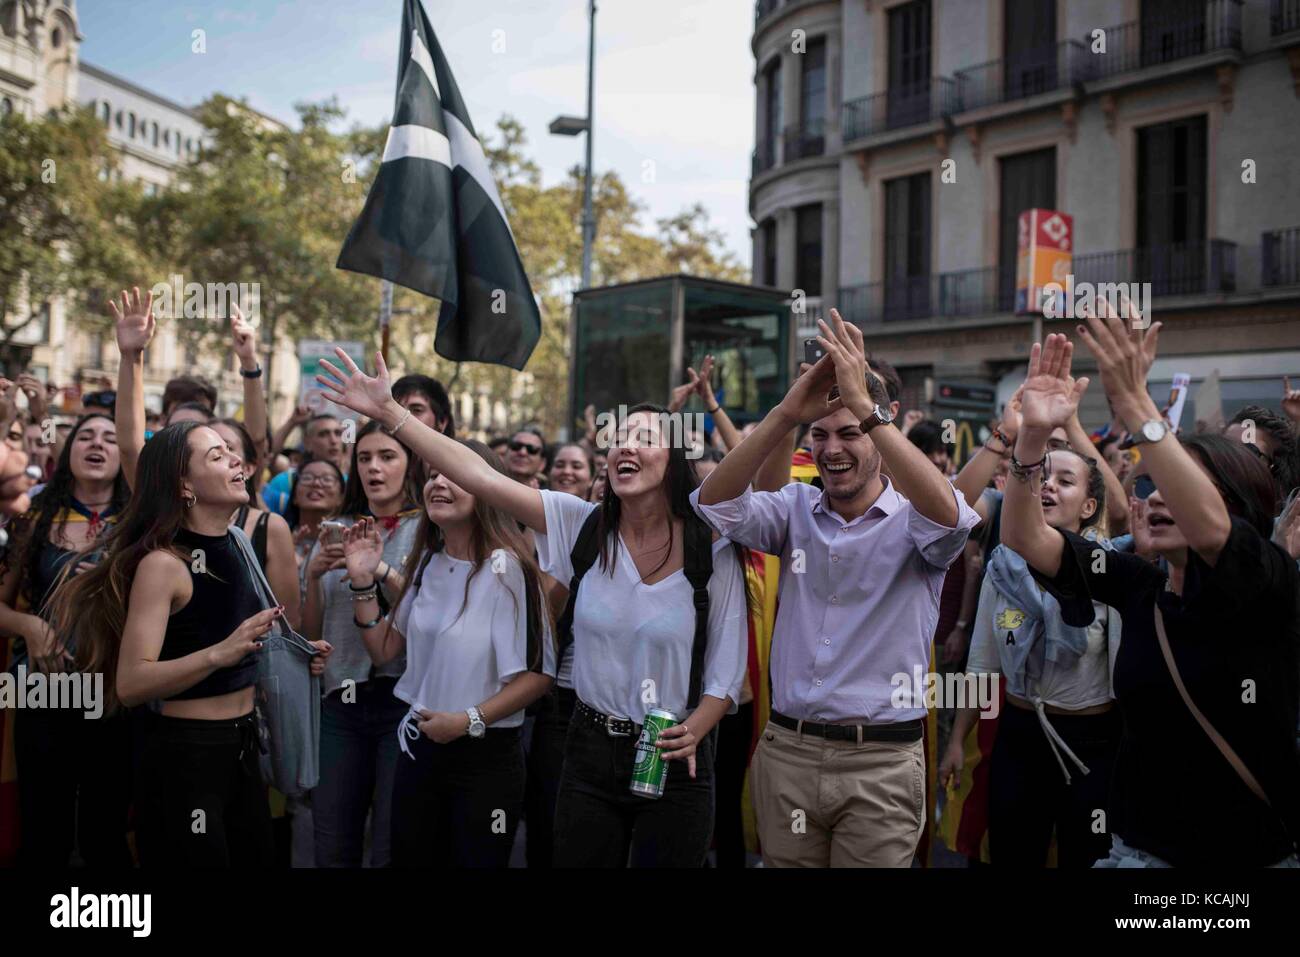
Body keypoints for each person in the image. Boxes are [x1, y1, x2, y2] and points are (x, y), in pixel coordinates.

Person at [315, 349, 748, 868]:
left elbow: (726, 668)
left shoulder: (712, 550)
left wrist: (698, 726)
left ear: (676, 460)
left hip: (676, 753)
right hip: (586, 749)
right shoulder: (579, 524)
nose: (625, 447)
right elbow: (482, 478)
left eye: (646, 439)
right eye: (617, 439)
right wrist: (393, 417)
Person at [1000, 316, 1300, 867]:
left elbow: (1214, 534)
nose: (1158, 499)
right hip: (1137, 854)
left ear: (1237, 507)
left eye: (1181, 490)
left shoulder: (1272, 586)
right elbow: (1023, 536)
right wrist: (1034, 439)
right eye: (1153, 486)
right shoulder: (1142, 584)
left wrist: (1137, 404)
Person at [694, 310, 979, 867]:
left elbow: (951, 518)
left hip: (881, 764)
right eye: (819, 435)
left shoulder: (917, 518)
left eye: (850, 432)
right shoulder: (794, 507)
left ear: (880, 427)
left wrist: (868, 409)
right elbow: (715, 504)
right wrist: (785, 415)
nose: (831, 450)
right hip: (787, 754)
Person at [346, 443, 555, 867]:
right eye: (434, 474)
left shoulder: (508, 569)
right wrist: (363, 582)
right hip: (419, 749)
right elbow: (385, 649)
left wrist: (467, 720)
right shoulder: (428, 562)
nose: (439, 483)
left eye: (454, 475)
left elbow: (538, 676)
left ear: (487, 489)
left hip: (484, 758)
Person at [941, 436, 1120, 867]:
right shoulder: (1000, 568)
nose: (1048, 487)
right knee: (1012, 855)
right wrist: (954, 742)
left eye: (1065, 480)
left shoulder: (1113, 573)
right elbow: (980, 666)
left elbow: (1125, 677)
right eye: (1041, 477)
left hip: (1092, 747)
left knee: (1086, 855)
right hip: (1018, 738)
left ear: (1089, 508)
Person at [0, 412, 131, 866]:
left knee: (105, 831)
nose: (97, 443)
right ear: (67, 451)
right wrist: (29, 626)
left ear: (125, 454)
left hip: (116, 690)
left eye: (111, 438)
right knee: (43, 830)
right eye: (86, 436)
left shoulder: (142, 527)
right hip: (44, 688)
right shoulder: (33, 519)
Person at [302, 418, 423, 868]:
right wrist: (313, 576)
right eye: (365, 457)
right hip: (339, 703)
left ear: (410, 465)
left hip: (403, 700)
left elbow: (422, 611)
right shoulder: (339, 529)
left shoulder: (428, 527)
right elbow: (310, 631)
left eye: (387, 456)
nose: (374, 467)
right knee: (332, 840)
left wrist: (375, 571)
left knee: (393, 843)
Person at [263, 414, 350, 515]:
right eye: (323, 434)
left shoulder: (352, 485)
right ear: (307, 442)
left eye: (338, 434)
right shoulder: (284, 482)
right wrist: (292, 422)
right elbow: (267, 457)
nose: (333, 441)